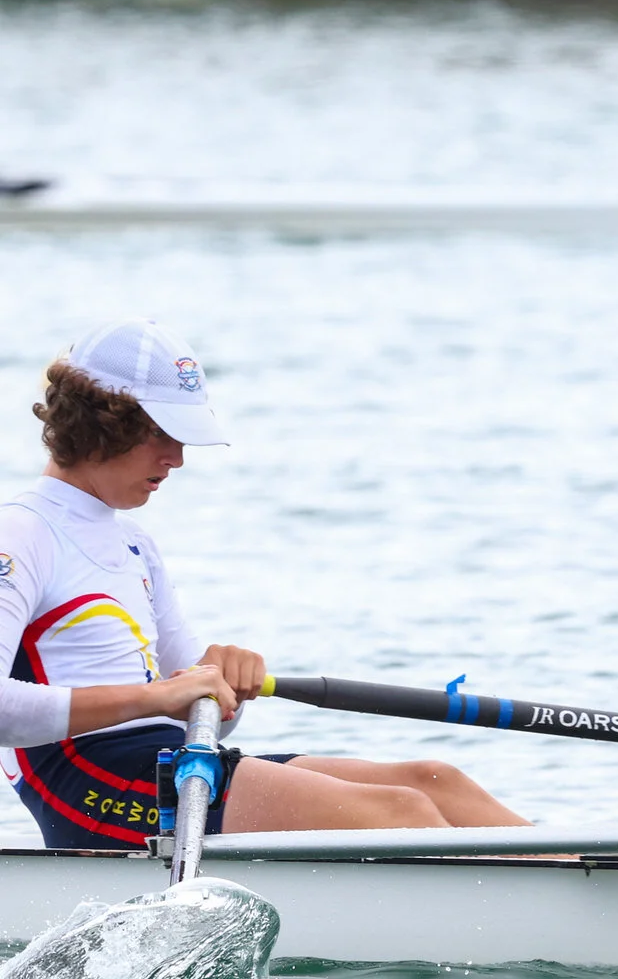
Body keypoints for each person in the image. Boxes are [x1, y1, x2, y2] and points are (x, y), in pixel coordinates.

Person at [0, 320, 529, 850]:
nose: (177, 458)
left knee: (434, 781)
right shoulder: (20, 534)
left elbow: (203, 715)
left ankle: (584, 879)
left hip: (175, 765)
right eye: (161, 433)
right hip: (88, 782)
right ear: (100, 424)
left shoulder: (135, 544)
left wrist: (225, 684)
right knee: (400, 812)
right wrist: (157, 696)